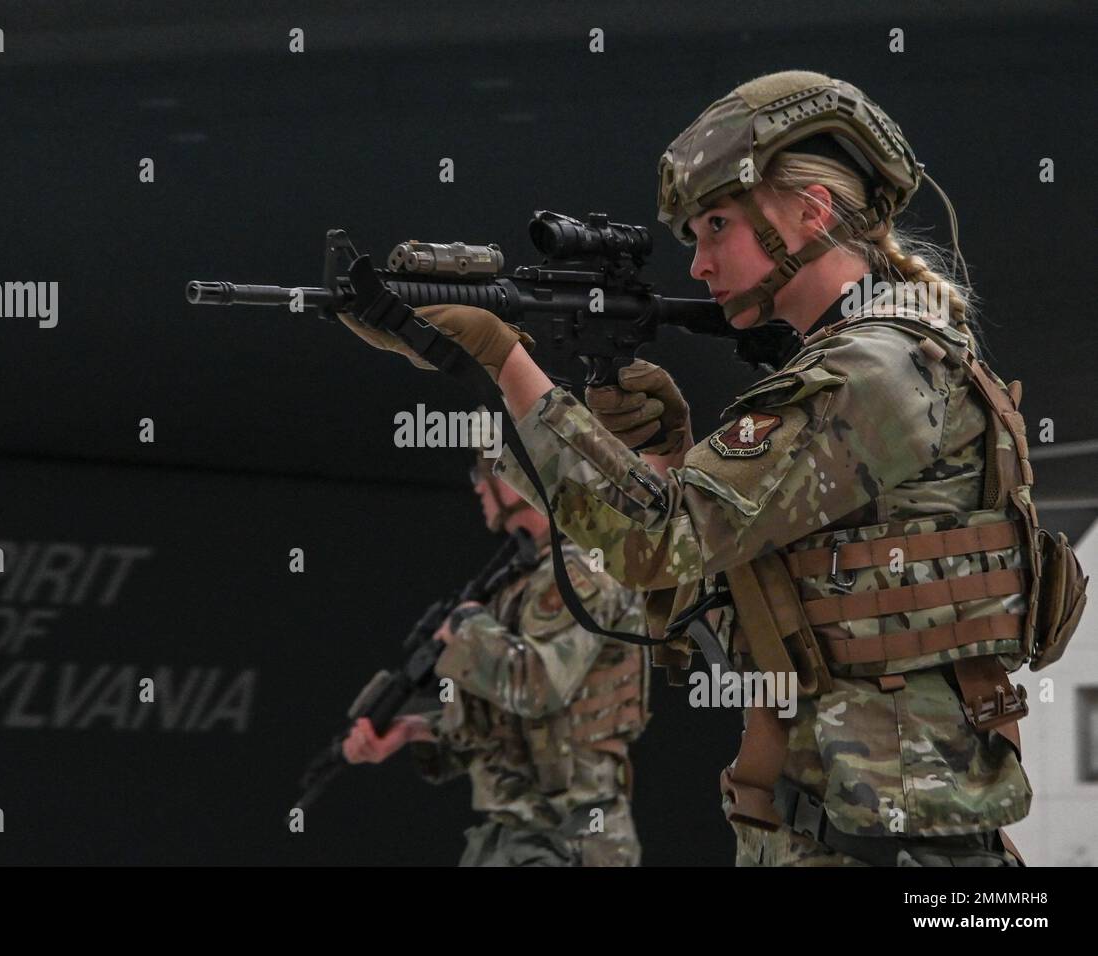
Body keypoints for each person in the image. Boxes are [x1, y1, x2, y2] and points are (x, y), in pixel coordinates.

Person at [340, 71, 1074, 866]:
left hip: (882, 846)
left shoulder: (872, 370)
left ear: (810, 213)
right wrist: (664, 460)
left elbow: (658, 544)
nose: (697, 264)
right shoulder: (883, 356)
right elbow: (731, 601)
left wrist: (500, 360)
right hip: (864, 837)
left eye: (715, 224)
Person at [341, 444, 651, 866]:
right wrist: (415, 730)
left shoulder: (579, 573)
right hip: (515, 837)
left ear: (517, 483)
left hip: (568, 840)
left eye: (483, 474)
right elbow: (508, 722)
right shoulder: (524, 576)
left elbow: (536, 686)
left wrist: (466, 629)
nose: (478, 488)